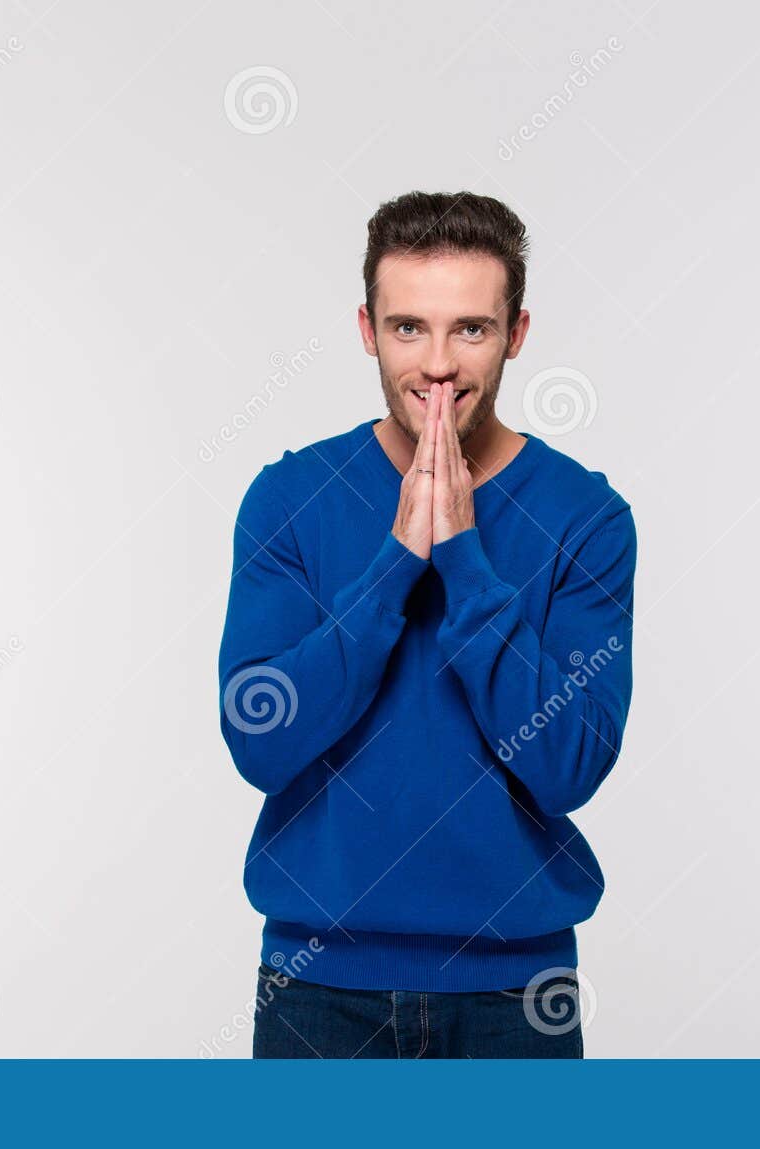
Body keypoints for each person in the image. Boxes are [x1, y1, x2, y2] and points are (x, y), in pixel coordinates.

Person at [217, 190, 636, 1058]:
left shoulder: (586, 516)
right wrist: (395, 565)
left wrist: (465, 562)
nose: (438, 364)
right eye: (409, 328)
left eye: (471, 330)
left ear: (516, 333)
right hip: (319, 990)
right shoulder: (291, 500)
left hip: (516, 996)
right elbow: (260, 739)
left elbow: (569, 766)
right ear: (368, 330)